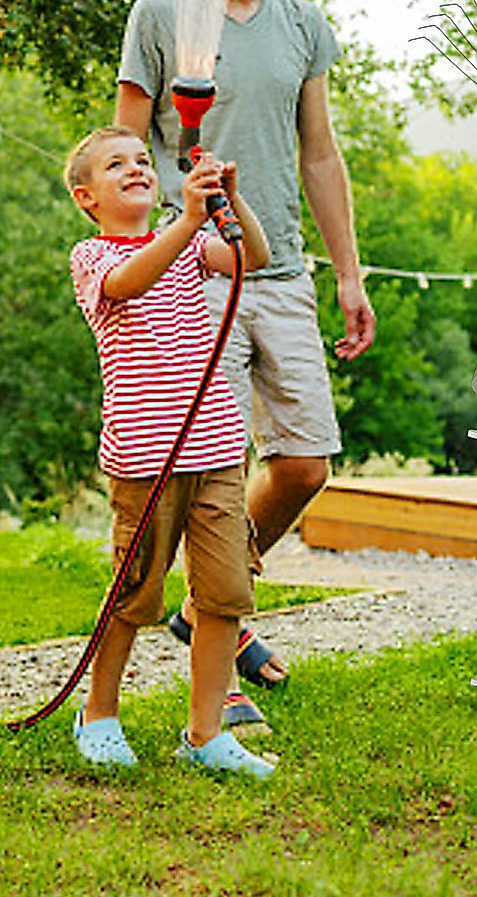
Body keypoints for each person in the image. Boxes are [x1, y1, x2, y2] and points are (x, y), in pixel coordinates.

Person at [115, 0, 375, 709]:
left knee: (305, 464)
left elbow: (320, 154)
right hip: (194, 272)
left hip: (283, 269)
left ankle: (206, 604)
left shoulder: (301, 23)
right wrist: (150, 254)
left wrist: (349, 274)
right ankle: (219, 683)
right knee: (214, 473)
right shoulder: (160, 16)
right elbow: (125, 147)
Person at [65, 125, 275, 777]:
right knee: (135, 593)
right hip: (145, 459)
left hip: (215, 449)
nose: (134, 168)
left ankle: (205, 733)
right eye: (114, 164)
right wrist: (185, 221)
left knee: (222, 594)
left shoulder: (188, 243)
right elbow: (130, 283)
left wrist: (231, 203)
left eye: (139, 160)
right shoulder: (94, 256)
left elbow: (254, 259)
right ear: (85, 196)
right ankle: (98, 713)